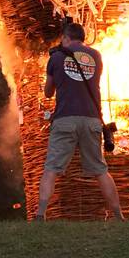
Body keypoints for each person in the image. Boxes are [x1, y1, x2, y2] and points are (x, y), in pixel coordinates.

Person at [35, 19, 123, 221]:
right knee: (100, 170)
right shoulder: (96, 56)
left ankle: (40, 215)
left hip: (65, 118)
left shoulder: (56, 57)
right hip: (91, 119)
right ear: (82, 38)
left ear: (65, 38)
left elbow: (48, 92)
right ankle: (119, 215)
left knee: (51, 169)